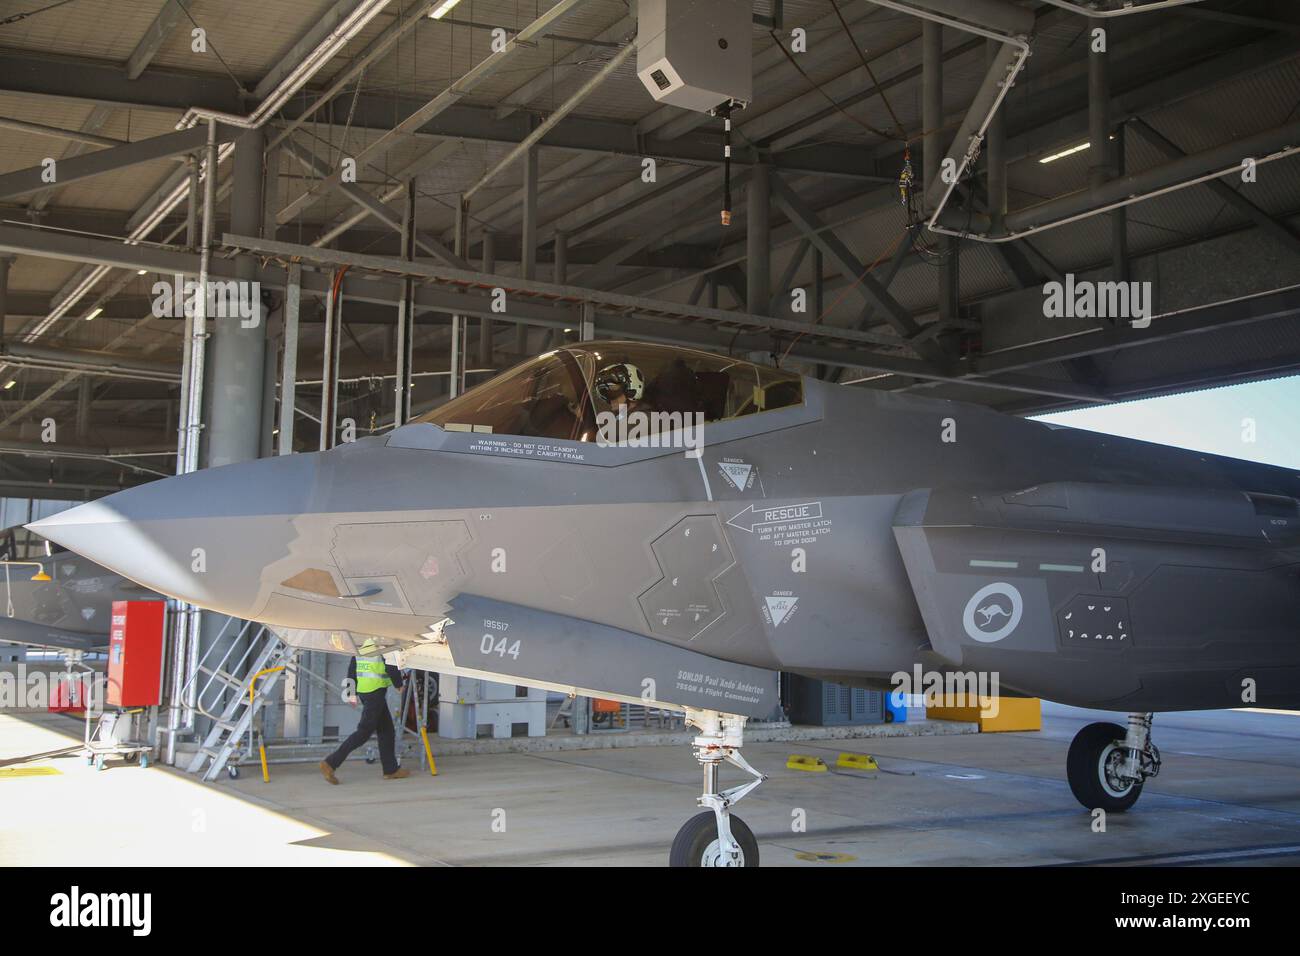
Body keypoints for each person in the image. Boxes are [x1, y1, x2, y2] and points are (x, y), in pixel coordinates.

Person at [319, 639, 409, 783]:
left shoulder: (361, 644)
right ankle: (331, 763)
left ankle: (391, 769)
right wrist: (398, 684)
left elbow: (352, 668)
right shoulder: (382, 643)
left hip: (365, 692)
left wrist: (351, 692)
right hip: (375, 692)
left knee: (386, 731)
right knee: (363, 732)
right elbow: (391, 666)